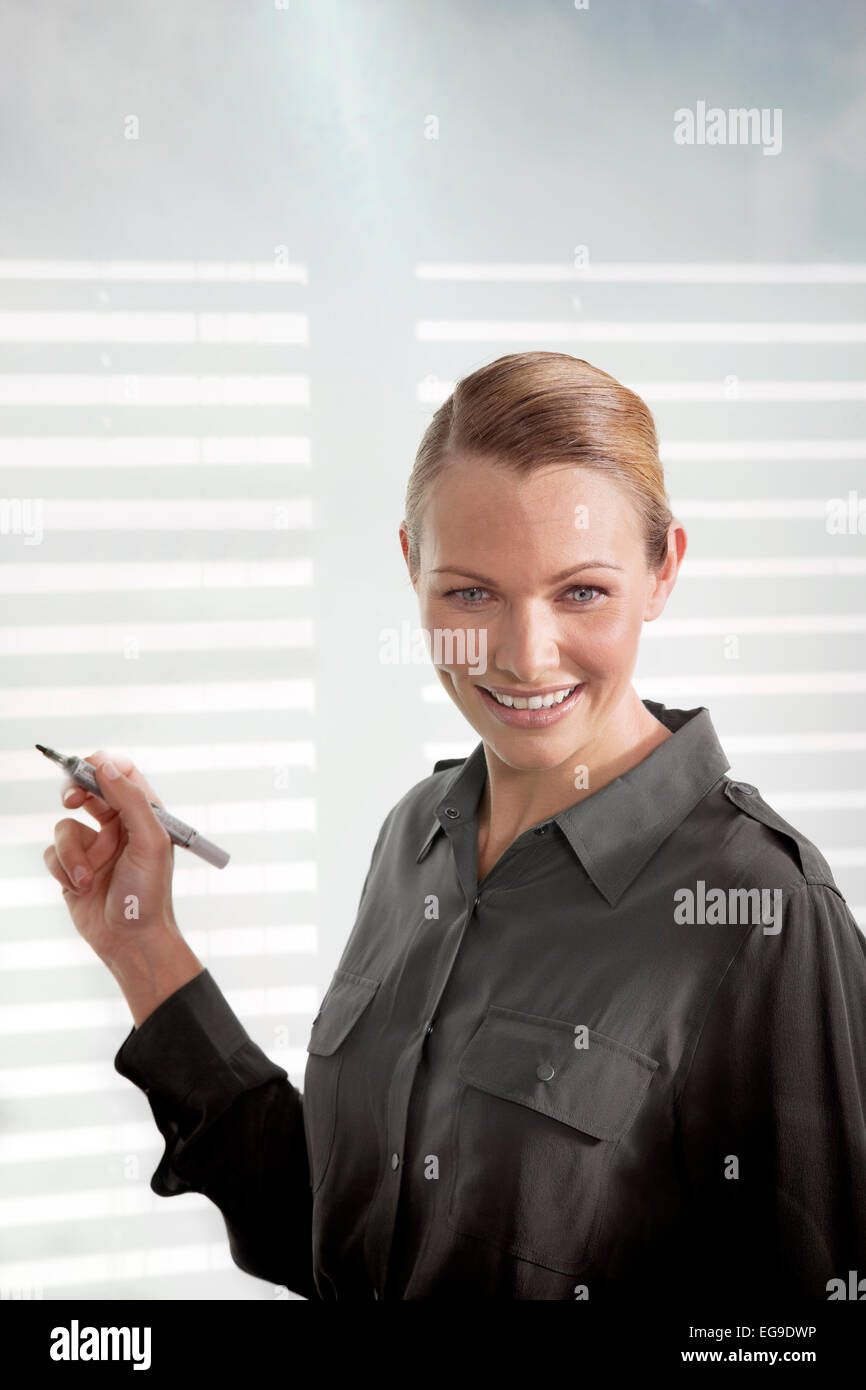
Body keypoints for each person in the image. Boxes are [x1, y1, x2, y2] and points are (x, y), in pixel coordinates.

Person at [44, 351, 866, 1303]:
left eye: (582, 592)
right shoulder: (416, 836)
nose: (523, 657)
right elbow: (332, 1234)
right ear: (410, 567)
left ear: (663, 571)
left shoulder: (764, 912)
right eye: (470, 593)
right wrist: (143, 946)